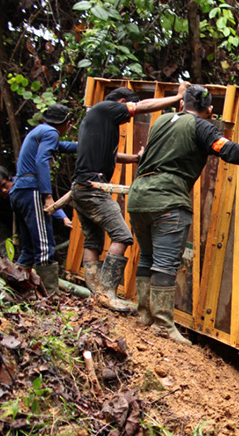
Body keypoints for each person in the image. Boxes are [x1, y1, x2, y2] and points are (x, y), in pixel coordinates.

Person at [127, 85, 239, 344]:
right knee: (165, 263)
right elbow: (228, 151)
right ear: (210, 111)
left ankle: (144, 315)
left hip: (139, 197)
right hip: (168, 200)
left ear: (181, 104)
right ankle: (163, 325)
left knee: (147, 256)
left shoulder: (161, 121)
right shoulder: (202, 127)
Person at [71, 81, 189, 311]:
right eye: (128, 112)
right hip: (94, 188)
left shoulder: (100, 123)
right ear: (123, 103)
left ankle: (96, 294)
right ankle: (107, 294)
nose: (128, 120)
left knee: (93, 240)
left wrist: (135, 158)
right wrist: (177, 98)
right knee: (123, 236)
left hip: (82, 187)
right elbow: (142, 106)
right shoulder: (105, 109)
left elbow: (112, 157)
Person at [7, 104, 77, 294]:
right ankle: (51, 297)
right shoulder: (51, 132)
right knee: (44, 246)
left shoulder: (39, 131)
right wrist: (47, 196)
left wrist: (86, 147)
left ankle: (17, 290)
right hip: (32, 190)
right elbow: (42, 161)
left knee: (28, 248)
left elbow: (64, 147)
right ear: (65, 123)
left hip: (19, 190)